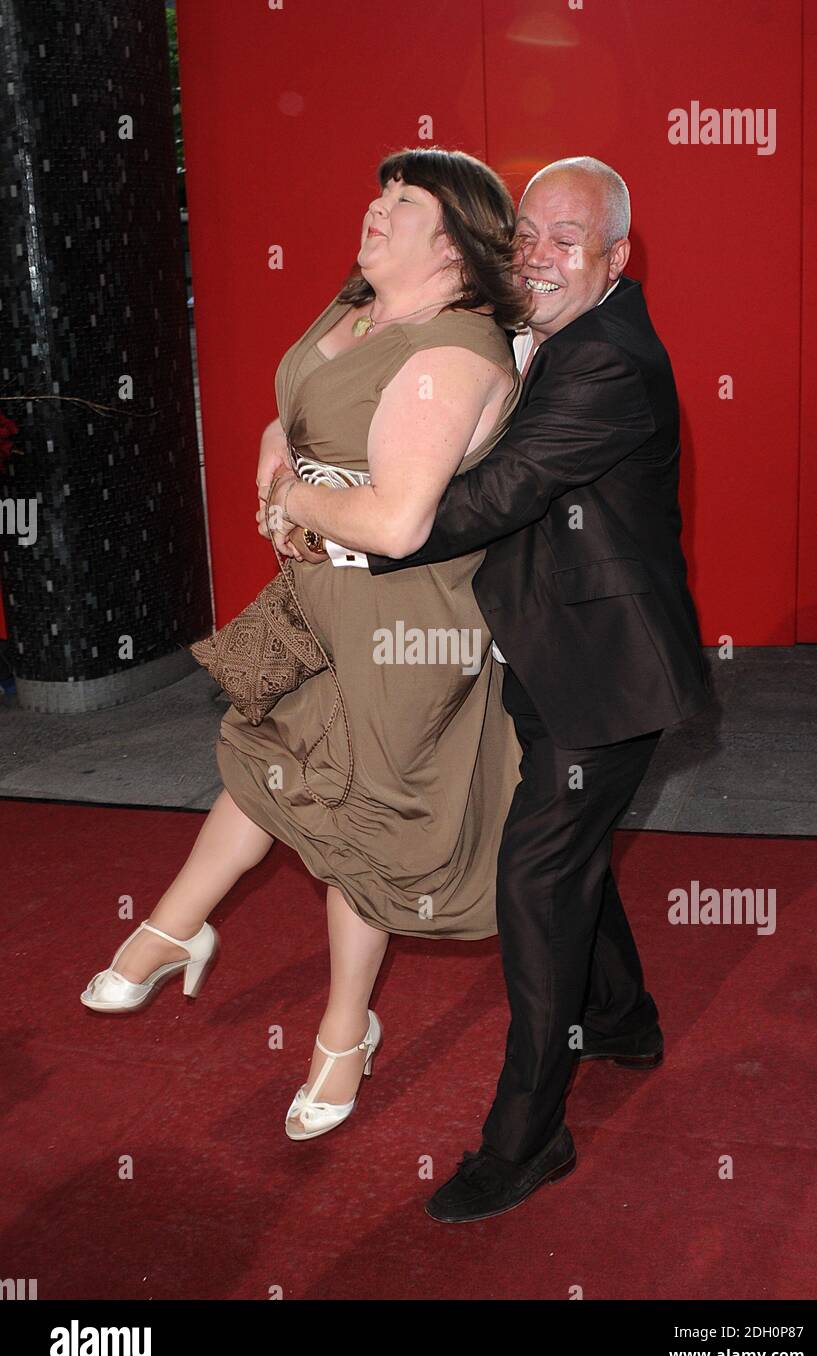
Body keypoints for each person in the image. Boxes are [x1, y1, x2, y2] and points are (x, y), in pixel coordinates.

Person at [272, 156, 711, 1218]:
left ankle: (527, 1136)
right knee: (567, 861)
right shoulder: (534, 328)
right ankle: (621, 1019)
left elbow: (487, 495)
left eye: (569, 239)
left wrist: (325, 504)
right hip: (542, 653)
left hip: (602, 682)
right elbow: (376, 340)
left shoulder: (609, 359)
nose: (541, 256)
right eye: (528, 233)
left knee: (532, 882)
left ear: (616, 253)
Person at [81, 146, 533, 1142]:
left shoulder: (449, 353)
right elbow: (301, 401)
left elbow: (399, 519)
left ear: (456, 247)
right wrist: (274, 451)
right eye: (376, 192)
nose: (376, 211)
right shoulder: (363, 306)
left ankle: (339, 1033)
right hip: (321, 595)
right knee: (269, 761)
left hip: (401, 623)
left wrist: (288, 497)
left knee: (357, 830)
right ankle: (172, 928)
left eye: (403, 201)